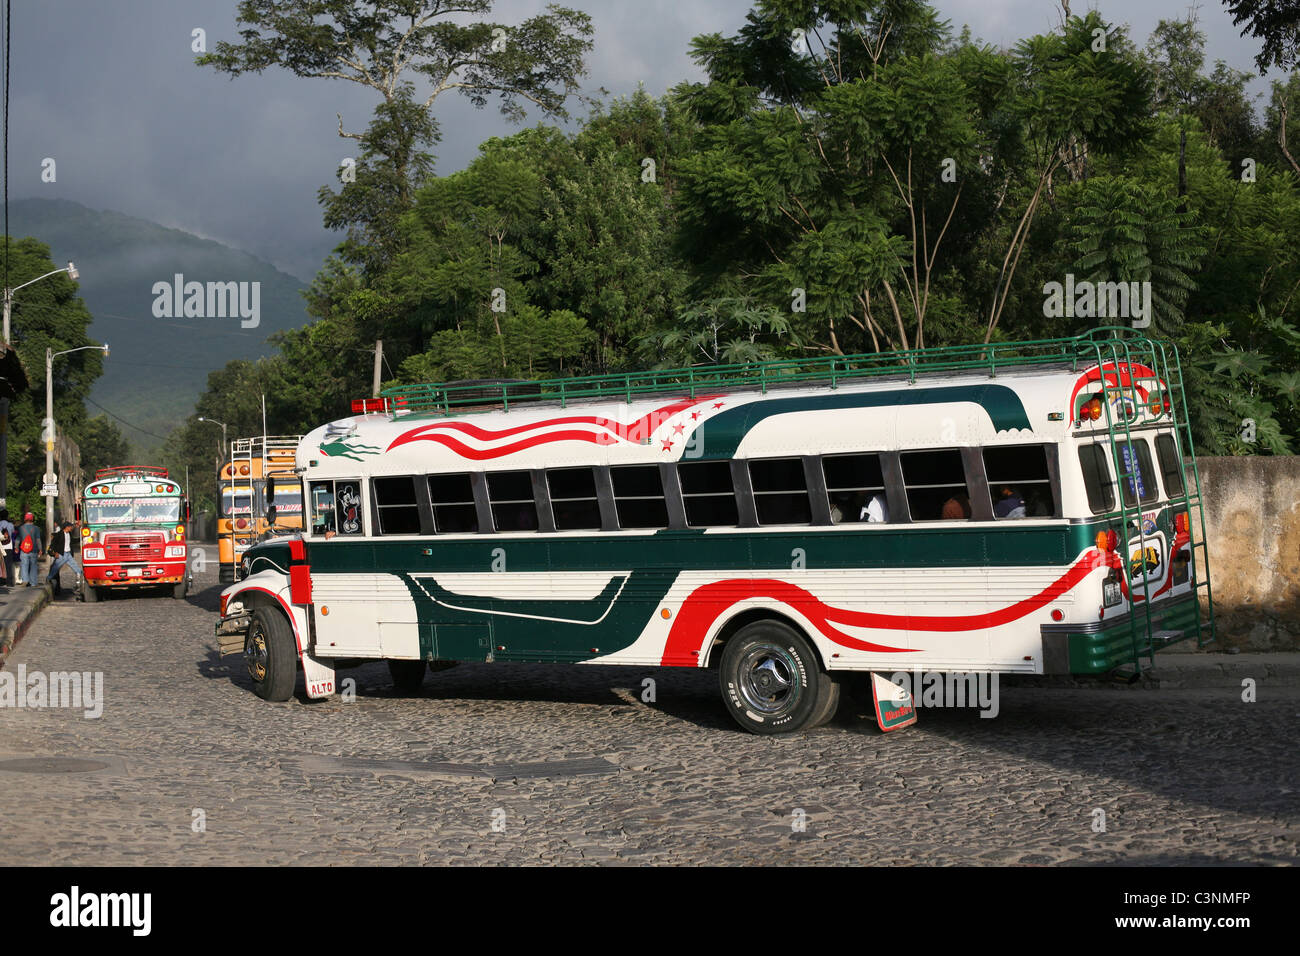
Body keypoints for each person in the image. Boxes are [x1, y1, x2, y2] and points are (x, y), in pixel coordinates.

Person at [47, 520, 83, 597]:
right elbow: (52, 545)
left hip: (68, 554)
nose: (71, 528)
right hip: (61, 555)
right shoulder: (59, 535)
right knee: (54, 569)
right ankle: (48, 581)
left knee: (76, 568)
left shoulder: (69, 533)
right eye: (70, 527)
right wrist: (53, 553)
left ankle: (81, 582)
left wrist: (81, 538)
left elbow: (73, 541)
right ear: (66, 527)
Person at [16, 512, 42, 588]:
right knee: (33, 566)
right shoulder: (36, 528)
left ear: (25, 519)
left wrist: (16, 547)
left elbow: (18, 539)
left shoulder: (21, 528)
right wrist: (40, 549)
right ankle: (33, 582)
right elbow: (38, 540)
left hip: (24, 550)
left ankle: (25, 581)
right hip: (33, 550)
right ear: (32, 519)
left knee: (24, 565)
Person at [0, 508, 12, 586]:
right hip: (9, 546)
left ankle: (2, 582)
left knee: (1, 565)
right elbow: (13, 534)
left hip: (1, 548)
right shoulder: (10, 525)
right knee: (8, 565)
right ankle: (9, 582)